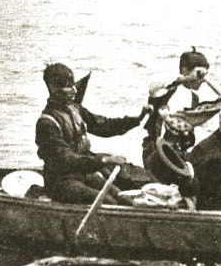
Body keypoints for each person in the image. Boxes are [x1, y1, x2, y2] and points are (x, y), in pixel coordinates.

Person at [35, 63, 150, 205]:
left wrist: (137, 120)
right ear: (53, 88)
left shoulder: (76, 110)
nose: (75, 90)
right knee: (107, 201)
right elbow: (67, 160)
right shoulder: (46, 123)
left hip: (84, 174)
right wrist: (103, 161)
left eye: (73, 85)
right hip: (61, 182)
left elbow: (103, 126)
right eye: (68, 86)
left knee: (120, 196)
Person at [142, 49, 221, 192]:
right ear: (185, 70)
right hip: (157, 154)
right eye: (199, 74)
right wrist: (186, 77)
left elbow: (206, 125)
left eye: (204, 75)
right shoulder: (166, 92)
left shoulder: (195, 99)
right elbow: (153, 88)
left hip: (182, 155)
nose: (202, 80)